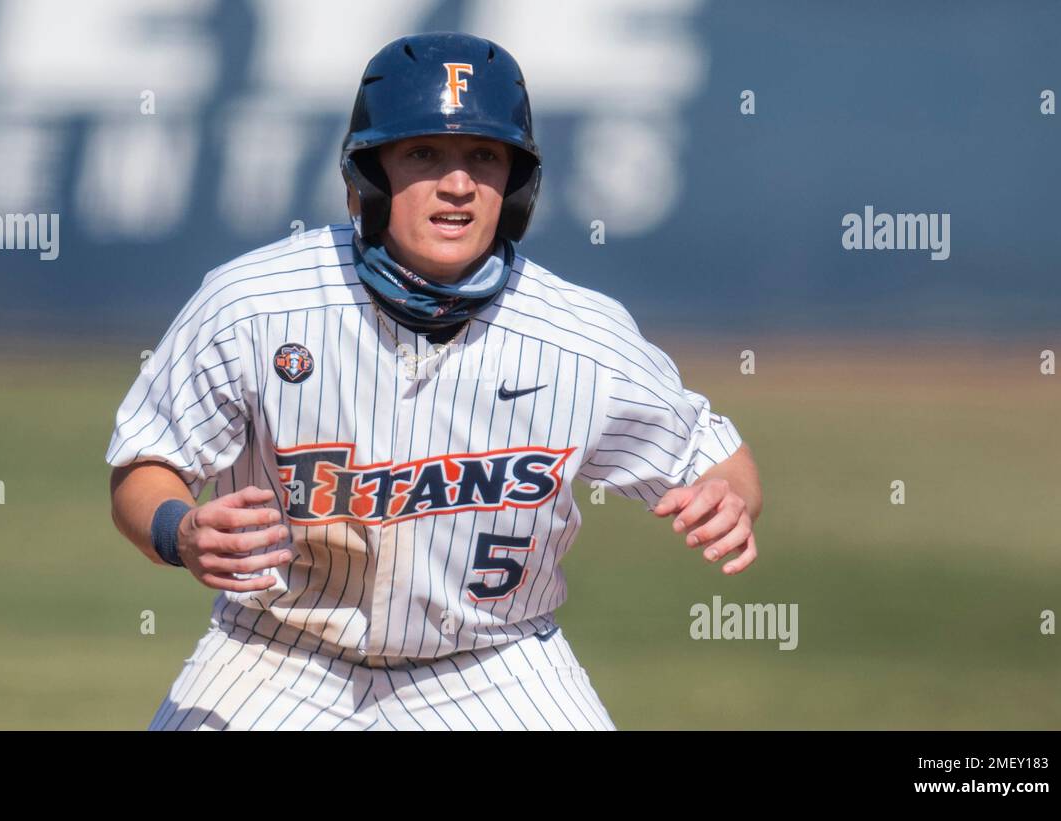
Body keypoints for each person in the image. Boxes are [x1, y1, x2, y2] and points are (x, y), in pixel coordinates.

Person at [106, 32, 761, 731]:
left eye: (484, 156)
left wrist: (729, 497)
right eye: (424, 153)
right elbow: (145, 468)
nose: (457, 183)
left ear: (515, 183)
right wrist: (179, 530)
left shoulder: (581, 337)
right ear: (371, 175)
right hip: (276, 653)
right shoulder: (254, 304)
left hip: (492, 661)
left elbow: (716, 458)